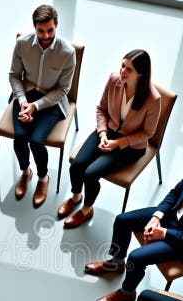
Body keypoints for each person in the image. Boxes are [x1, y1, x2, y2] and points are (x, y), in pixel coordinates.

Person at [85, 139, 183, 301]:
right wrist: (157, 217)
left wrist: (164, 233)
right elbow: (175, 192)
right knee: (122, 220)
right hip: (173, 215)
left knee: (136, 257)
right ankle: (116, 262)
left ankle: (127, 292)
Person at [58, 50, 161, 228]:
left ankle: (87, 209)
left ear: (140, 73)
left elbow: (147, 133)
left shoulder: (153, 99)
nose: (122, 71)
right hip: (107, 132)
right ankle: (76, 197)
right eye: (122, 66)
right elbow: (101, 109)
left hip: (131, 146)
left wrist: (118, 143)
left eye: (129, 69)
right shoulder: (114, 80)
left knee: (91, 174)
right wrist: (103, 134)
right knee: (77, 165)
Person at [8, 4, 76, 208]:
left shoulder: (68, 52)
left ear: (57, 26)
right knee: (20, 137)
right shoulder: (22, 44)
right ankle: (25, 172)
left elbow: (62, 89)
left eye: (50, 30)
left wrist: (35, 106)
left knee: (37, 141)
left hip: (51, 102)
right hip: (25, 96)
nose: (46, 36)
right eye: (41, 31)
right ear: (34, 27)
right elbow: (14, 76)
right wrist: (23, 102)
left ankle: (43, 178)